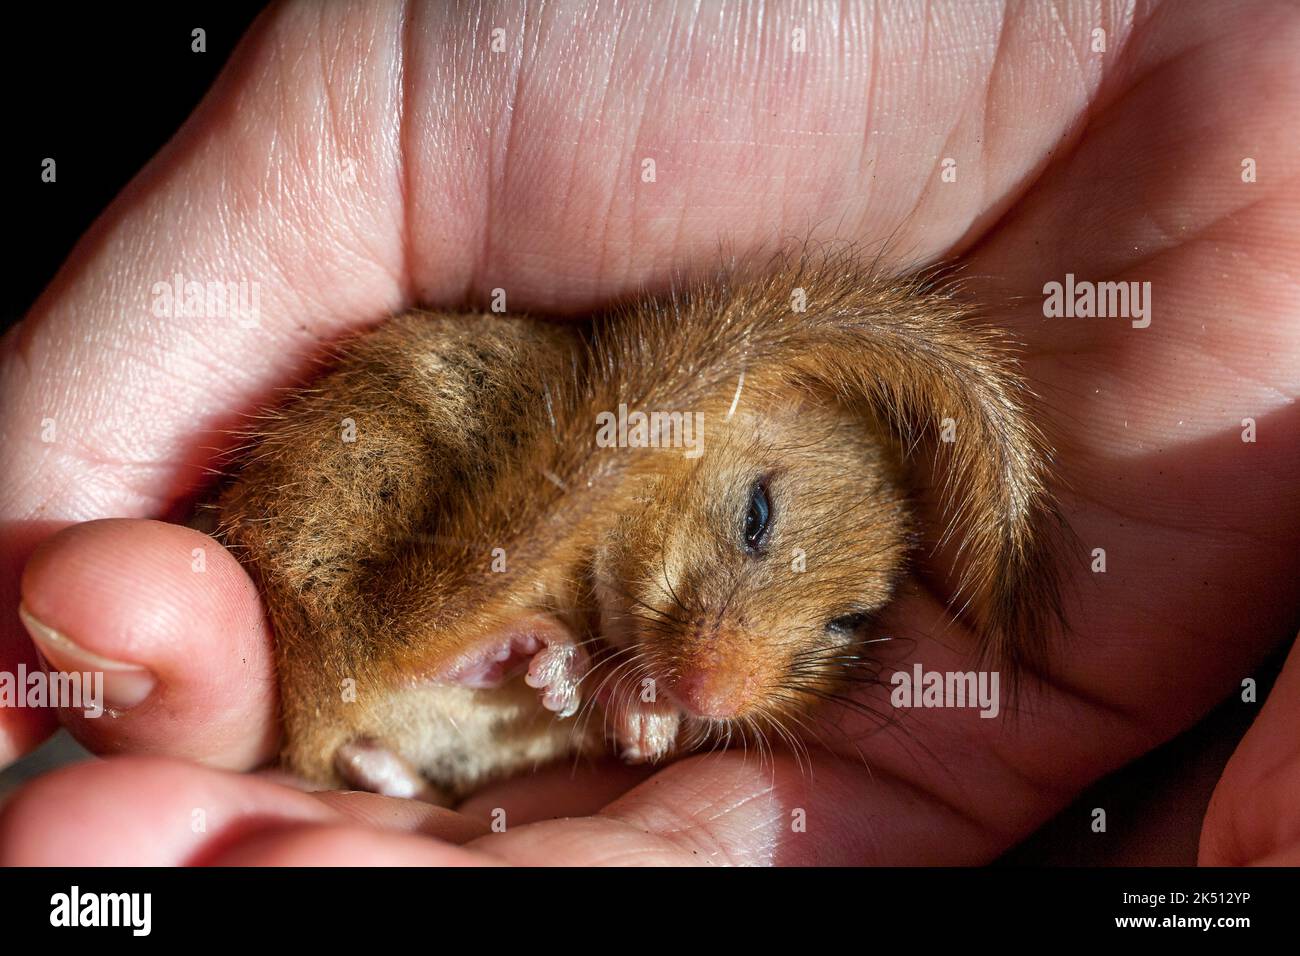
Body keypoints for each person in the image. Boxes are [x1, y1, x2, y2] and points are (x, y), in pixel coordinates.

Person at [1, 0, 1296, 865]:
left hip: (405, 725)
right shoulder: (600, 419)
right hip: (348, 603)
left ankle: (386, 720)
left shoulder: (655, 654)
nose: (733, 670)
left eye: (837, 633)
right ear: (754, 406)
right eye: (756, 520)